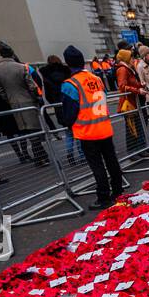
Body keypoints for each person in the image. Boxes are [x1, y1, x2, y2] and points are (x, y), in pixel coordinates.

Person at [59, 45, 125, 210]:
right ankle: (118, 190)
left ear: (67, 64)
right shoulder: (96, 78)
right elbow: (103, 98)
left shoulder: (70, 84)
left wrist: (67, 123)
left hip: (87, 132)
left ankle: (103, 197)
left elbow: (69, 112)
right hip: (104, 127)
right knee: (111, 161)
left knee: (97, 166)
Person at [0, 43, 47, 164]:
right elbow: (31, 85)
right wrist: (36, 97)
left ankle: (41, 155)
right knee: (34, 131)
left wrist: (8, 98)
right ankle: (40, 157)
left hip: (13, 103)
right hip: (28, 101)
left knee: (25, 132)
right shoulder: (21, 67)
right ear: (11, 53)